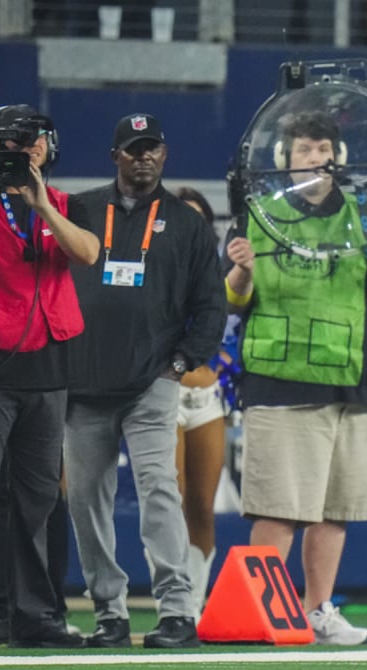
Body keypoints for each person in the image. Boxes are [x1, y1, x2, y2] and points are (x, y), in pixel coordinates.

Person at [224, 111, 367, 645]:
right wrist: (241, 271)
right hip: (282, 381)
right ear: (284, 162)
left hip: (355, 381)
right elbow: (235, 301)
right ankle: (257, 614)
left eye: (321, 148)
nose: (313, 157)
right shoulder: (258, 216)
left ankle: (318, 610)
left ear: (337, 157)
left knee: (337, 510)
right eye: (302, 150)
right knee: (278, 508)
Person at [65, 114, 224, 649]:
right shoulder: (81, 208)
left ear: (165, 154)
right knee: (86, 499)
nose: (143, 157)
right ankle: (109, 612)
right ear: (115, 157)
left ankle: (177, 610)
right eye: (133, 149)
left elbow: (211, 305)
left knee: (160, 489)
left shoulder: (187, 223)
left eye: (152, 148)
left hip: (151, 383)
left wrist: (180, 363)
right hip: (83, 384)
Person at [0, 104, 99, 649]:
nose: (26, 152)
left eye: (35, 142)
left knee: (39, 500)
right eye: (14, 146)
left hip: (46, 371)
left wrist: (39, 203)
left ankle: (35, 616)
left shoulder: (65, 204)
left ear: (49, 149)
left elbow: (88, 253)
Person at [170, 186, 236, 615]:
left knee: (201, 505)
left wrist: (228, 362)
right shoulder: (154, 273)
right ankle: (169, 597)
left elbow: (236, 329)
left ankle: (192, 605)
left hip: (209, 397)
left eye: (199, 220)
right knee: (168, 500)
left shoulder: (218, 277)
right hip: (165, 393)